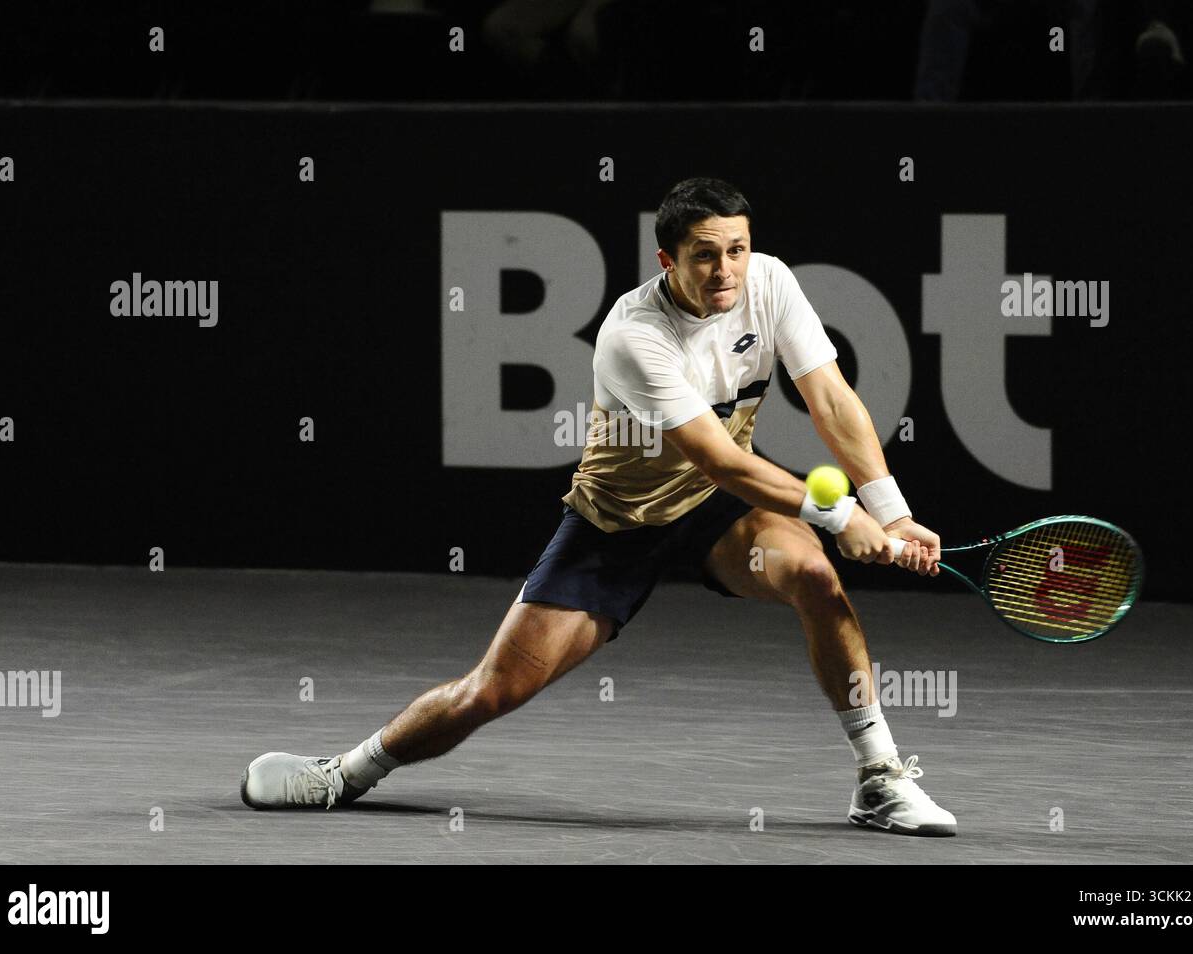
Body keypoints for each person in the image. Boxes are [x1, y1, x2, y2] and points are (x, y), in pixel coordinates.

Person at [241, 177, 957, 836]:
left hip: (717, 513)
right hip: (617, 526)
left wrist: (888, 511)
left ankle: (879, 776)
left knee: (815, 579)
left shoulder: (770, 283)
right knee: (489, 693)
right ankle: (345, 772)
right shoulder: (634, 334)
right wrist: (839, 516)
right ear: (667, 259)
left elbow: (829, 398)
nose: (726, 270)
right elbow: (721, 457)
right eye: (705, 256)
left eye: (737, 249)